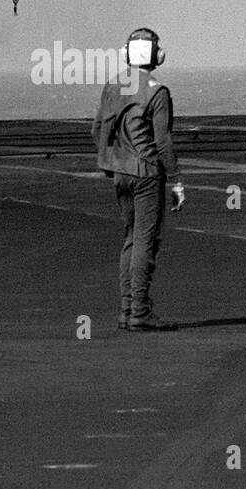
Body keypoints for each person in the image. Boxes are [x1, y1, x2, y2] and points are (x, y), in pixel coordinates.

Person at [91, 27, 185, 332]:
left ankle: (126, 309)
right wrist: (177, 180)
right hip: (146, 174)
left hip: (120, 173)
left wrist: (112, 162)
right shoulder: (158, 92)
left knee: (131, 238)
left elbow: (96, 130)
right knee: (146, 240)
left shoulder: (112, 86)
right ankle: (140, 311)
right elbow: (163, 143)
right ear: (157, 56)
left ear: (127, 54)